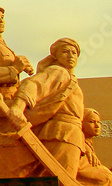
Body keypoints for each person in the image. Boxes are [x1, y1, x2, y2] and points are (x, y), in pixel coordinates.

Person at [9, 37, 86, 178]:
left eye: (74, 53)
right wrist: (18, 107)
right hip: (62, 134)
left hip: (71, 135)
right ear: (55, 56)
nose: (71, 55)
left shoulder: (69, 77)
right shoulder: (59, 72)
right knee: (59, 179)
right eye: (65, 51)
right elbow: (33, 84)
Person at [80, 108, 112, 185]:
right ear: (82, 124)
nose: (97, 126)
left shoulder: (88, 143)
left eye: (98, 122)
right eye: (92, 122)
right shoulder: (78, 143)